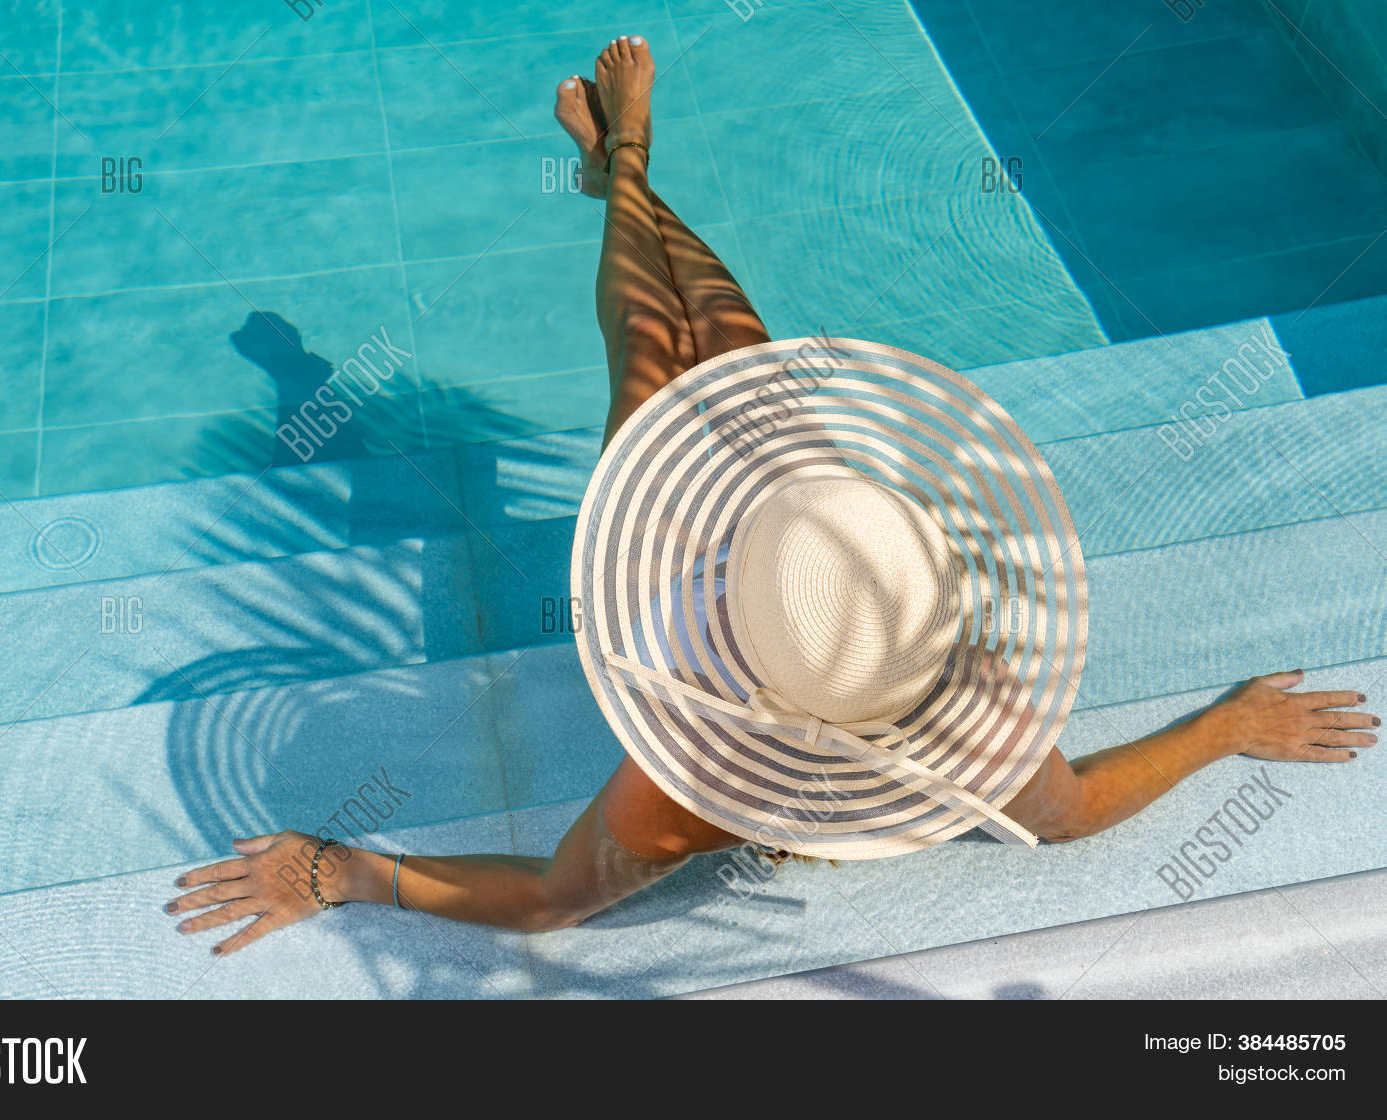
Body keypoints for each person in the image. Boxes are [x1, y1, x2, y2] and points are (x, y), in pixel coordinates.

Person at [168, 36, 1377, 955]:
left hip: (692, 579)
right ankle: (625, 170)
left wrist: (334, 871)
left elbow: (550, 898)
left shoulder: (696, 782)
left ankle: (622, 169)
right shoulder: (914, 638)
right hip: (792, 538)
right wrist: (1217, 729)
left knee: (652, 345)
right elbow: (1065, 814)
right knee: (731, 330)